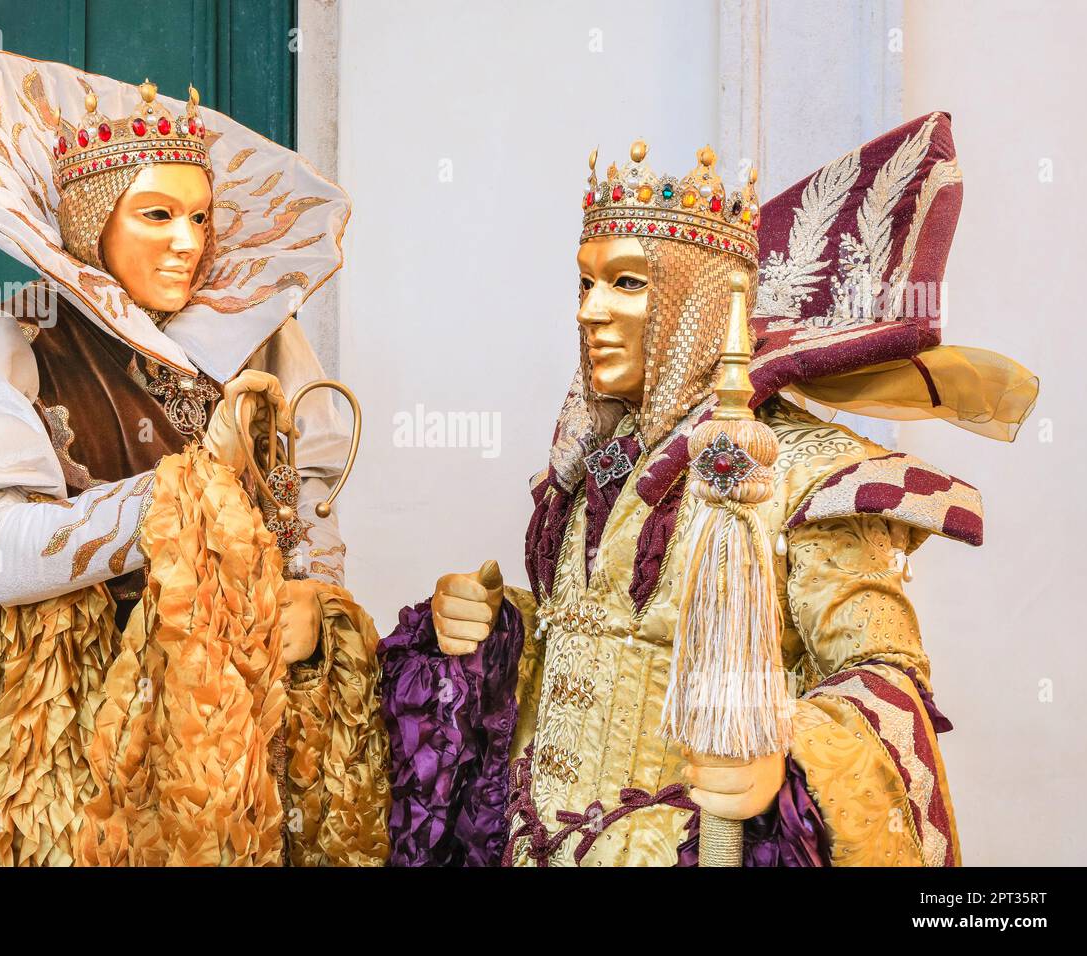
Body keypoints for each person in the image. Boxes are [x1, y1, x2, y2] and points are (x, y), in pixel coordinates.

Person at [379, 114, 1038, 867]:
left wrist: (787, 755)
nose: (588, 310)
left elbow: (887, 679)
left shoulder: (805, 472)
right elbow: (591, 645)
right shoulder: (594, 469)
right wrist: (493, 628)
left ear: (696, 306)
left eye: (625, 283)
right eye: (585, 282)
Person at [0, 51, 387, 866]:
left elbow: (307, 506)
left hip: (239, 741)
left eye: (201, 218)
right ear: (89, 222)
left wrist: (313, 601)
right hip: (85, 754)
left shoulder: (252, 344)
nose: (189, 241)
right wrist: (188, 490)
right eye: (156, 216)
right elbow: (6, 554)